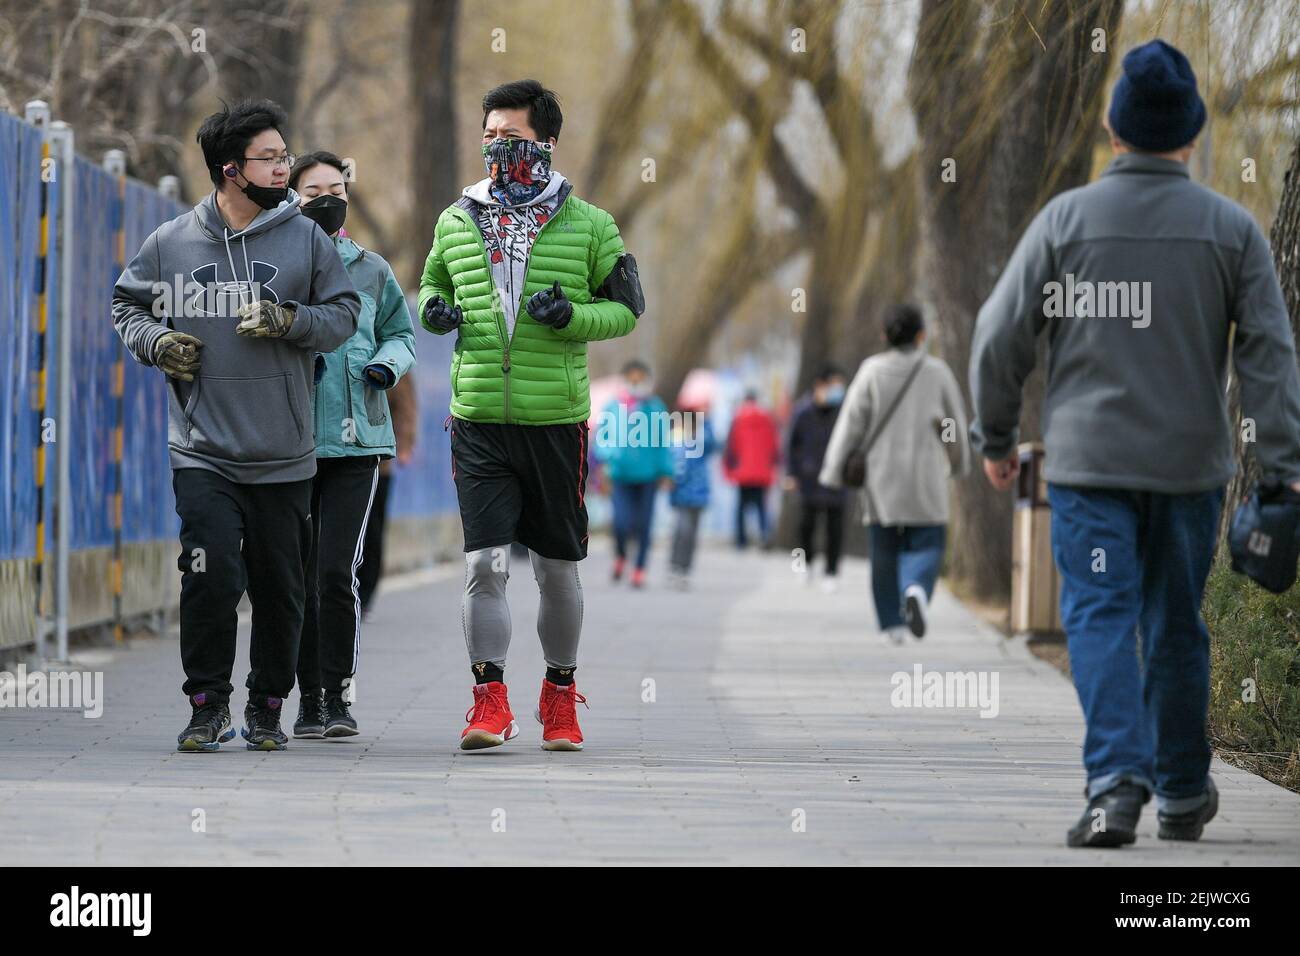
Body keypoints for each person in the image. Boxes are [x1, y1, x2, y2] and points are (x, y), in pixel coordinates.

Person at [969, 40, 1300, 848]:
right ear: (1188, 137)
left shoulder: (1065, 222)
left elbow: (997, 335)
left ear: (1115, 131)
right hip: (1189, 470)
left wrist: (997, 435)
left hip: (1087, 471)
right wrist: (1285, 471)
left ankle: (1116, 783)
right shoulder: (1232, 230)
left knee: (1102, 614)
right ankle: (1184, 792)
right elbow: (1271, 356)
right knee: (1177, 622)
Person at [112, 100, 360, 752]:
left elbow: (342, 315)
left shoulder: (306, 239)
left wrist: (290, 322)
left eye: (285, 156)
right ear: (231, 169)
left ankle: (267, 704)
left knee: (282, 589)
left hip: (283, 451)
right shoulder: (171, 242)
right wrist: (157, 342)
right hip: (202, 448)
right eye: (271, 158)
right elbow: (127, 304)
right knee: (210, 574)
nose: (284, 167)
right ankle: (206, 706)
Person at [418, 79, 644, 752]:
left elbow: (628, 308)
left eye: (511, 138)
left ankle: (559, 698)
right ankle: (489, 703)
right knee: (485, 565)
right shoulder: (457, 218)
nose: (497, 148)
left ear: (547, 143)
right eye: (489, 137)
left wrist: (573, 317)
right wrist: (434, 310)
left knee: (556, 569)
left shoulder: (591, 225)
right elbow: (434, 282)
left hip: (555, 421)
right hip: (479, 415)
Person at [286, 151, 417, 740]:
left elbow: (400, 331)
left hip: (358, 442)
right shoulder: (276, 264)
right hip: (287, 444)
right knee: (296, 574)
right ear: (291, 198)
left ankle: (336, 696)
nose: (327, 199)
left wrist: (386, 367)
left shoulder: (371, 269)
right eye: (312, 191)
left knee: (337, 570)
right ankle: (303, 697)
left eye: (336, 188)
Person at [820, 304, 970, 643]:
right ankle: (916, 588)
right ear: (921, 335)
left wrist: (833, 470)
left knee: (884, 548)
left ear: (885, 335)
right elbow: (950, 425)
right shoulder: (938, 372)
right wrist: (957, 459)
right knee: (929, 541)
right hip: (926, 475)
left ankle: (892, 623)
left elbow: (852, 424)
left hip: (880, 477)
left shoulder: (871, 371)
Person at [595, 359, 674, 588]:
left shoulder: (656, 407)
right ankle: (620, 556)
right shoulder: (612, 406)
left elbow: (663, 443)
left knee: (645, 524)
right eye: (632, 379)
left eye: (641, 380)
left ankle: (639, 568)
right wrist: (607, 461)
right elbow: (603, 439)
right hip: (620, 475)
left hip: (648, 476)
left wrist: (666, 471)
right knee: (620, 522)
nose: (636, 383)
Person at [358, 373, 419, 617]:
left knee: (372, 530)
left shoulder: (390, 356)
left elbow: (406, 405)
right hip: (335, 460)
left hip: (378, 463)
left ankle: (365, 594)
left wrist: (404, 445)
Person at [785, 365, 849, 592]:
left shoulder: (843, 412)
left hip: (836, 477)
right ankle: (802, 565)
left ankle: (831, 573)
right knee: (804, 527)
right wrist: (791, 474)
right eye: (834, 384)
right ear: (819, 386)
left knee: (835, 529)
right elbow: (790, 445)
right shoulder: (802, 412)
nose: (838, 390)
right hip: (808, 478)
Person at [666, 403, 718, 589]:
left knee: (691, 534)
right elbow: (671, 465)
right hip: (680, 495)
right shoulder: (675, 440)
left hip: (699, 495)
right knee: (683, 531)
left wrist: (708, 418)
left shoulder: (701, 440)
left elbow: (715, 443)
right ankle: (675, 566)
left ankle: (685, 569)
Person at [723, 391, 780, 549]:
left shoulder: (738, 417)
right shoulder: (768, 418)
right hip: (762, 471)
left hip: (743, 471)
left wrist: (728, 467)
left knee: (741, 506)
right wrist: (774, 464)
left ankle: (741, 540)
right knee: (761, 505)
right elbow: (775, 445)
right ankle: (764, 535)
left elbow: (731, 446)